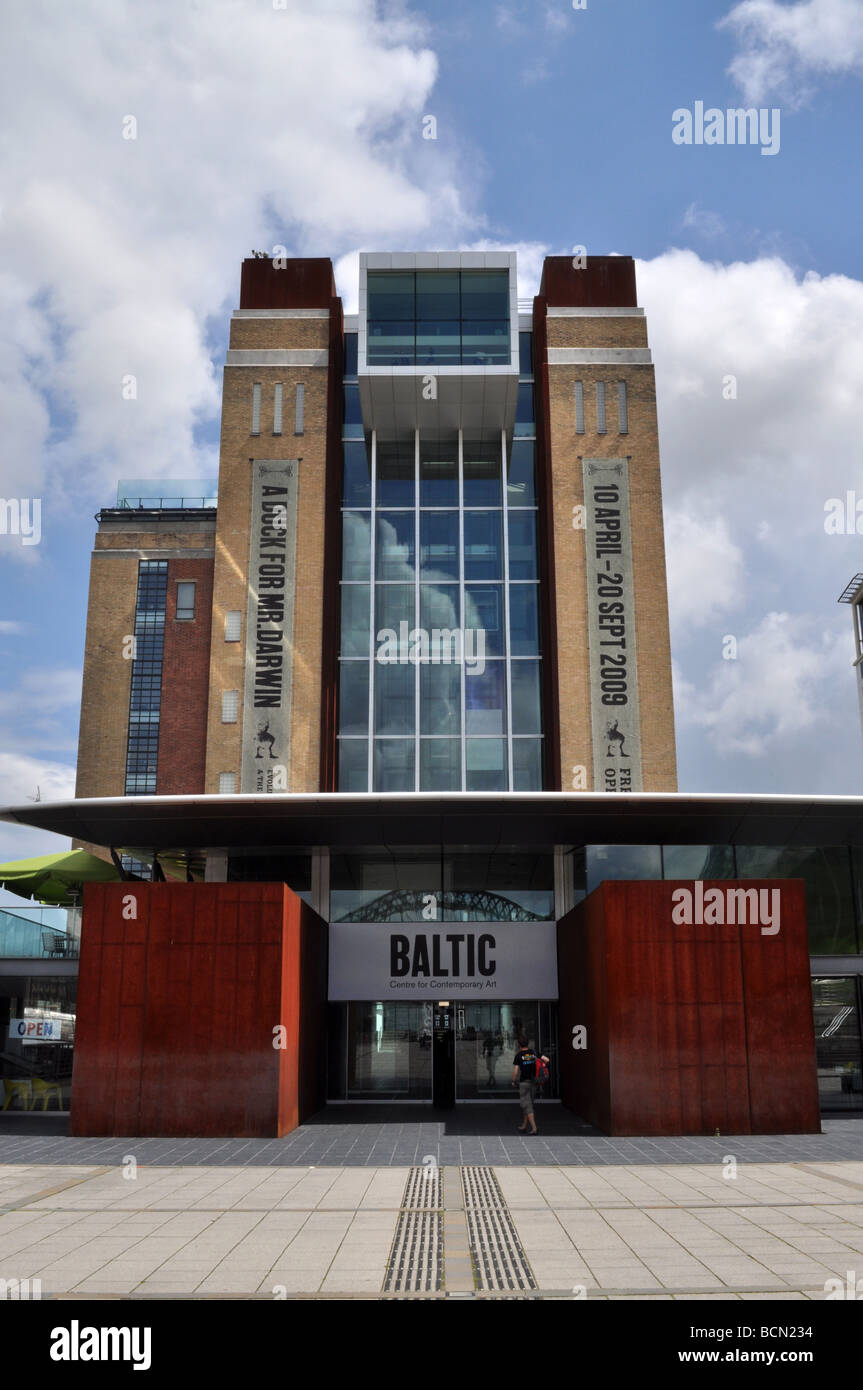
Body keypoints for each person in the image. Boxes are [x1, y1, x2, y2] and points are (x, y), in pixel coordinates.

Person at [511, 1036, 549, 1135]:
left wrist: (513, 1081)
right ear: (527, 1043)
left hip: (524, 1083)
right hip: (534, 1082)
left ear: (519, 1044)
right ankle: (524, 1126)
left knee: (527, 1105)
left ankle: (534, 1128)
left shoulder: (519, 1055)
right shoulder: (534, 1053)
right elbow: (547, 1060)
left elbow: (515, 1071)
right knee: (528, 1104)